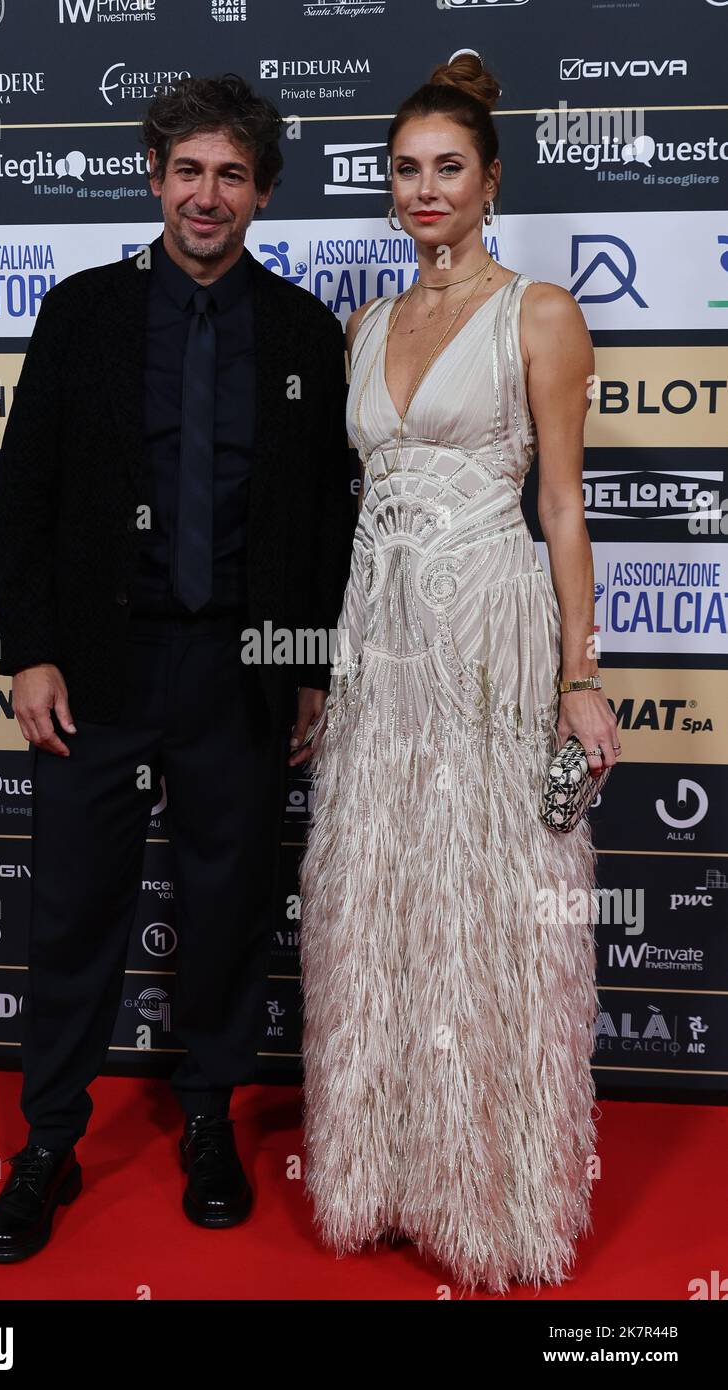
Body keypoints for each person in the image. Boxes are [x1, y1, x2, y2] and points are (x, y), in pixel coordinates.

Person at [0, 73, 354, 1262]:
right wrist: (30, 648)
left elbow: (319, 522)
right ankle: (47, 1141)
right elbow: (23, 490)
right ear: (153, 177)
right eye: (187, 170)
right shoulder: (80, 313)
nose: (207, 194)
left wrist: (303, 663)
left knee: (229, 905)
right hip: (99, 665)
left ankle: (207, 1120)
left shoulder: (300, 331)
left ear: (263, 193)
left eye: (231, 175)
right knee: (74, 907)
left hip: (240, 669)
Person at [298, 54, 621, 1294]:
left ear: (490, 182)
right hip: (379, 633)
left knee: (488, 894)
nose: (423, 189)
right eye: (404, 170)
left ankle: (492, 1190)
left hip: (489, 630)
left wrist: (579, 678)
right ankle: (382, 1171)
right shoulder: (361, 327)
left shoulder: (537, 311)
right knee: (377, 888)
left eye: (448, 168)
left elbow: (560, 504)